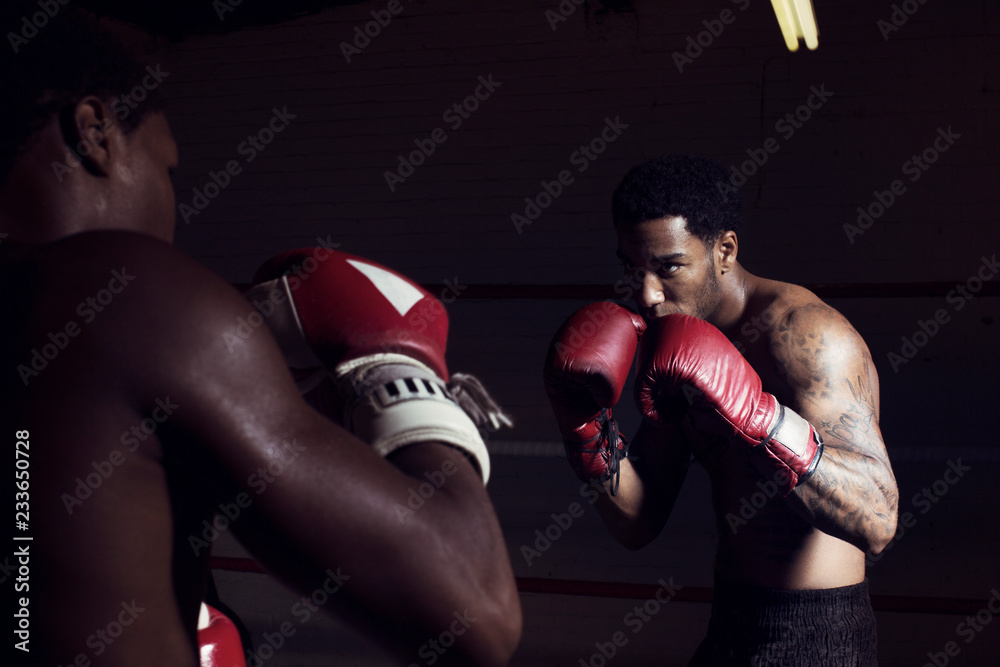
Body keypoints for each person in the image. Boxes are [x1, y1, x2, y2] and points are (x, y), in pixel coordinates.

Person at [0, 6, 521, 666]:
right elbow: (475, 612)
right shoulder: (132, 291)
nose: (173, 204)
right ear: (94, 131)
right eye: (167, 171)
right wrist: (395, 371)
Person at [543, 153, 898, 665]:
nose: (646, 294)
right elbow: (637, 522)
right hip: (733, 617)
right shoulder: (675, 344)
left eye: (668, 267)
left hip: (818, 633)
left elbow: (879, 523)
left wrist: (758, 417)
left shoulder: (806, 335)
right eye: (632, 268)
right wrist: (583, 427)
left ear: (724, 249)